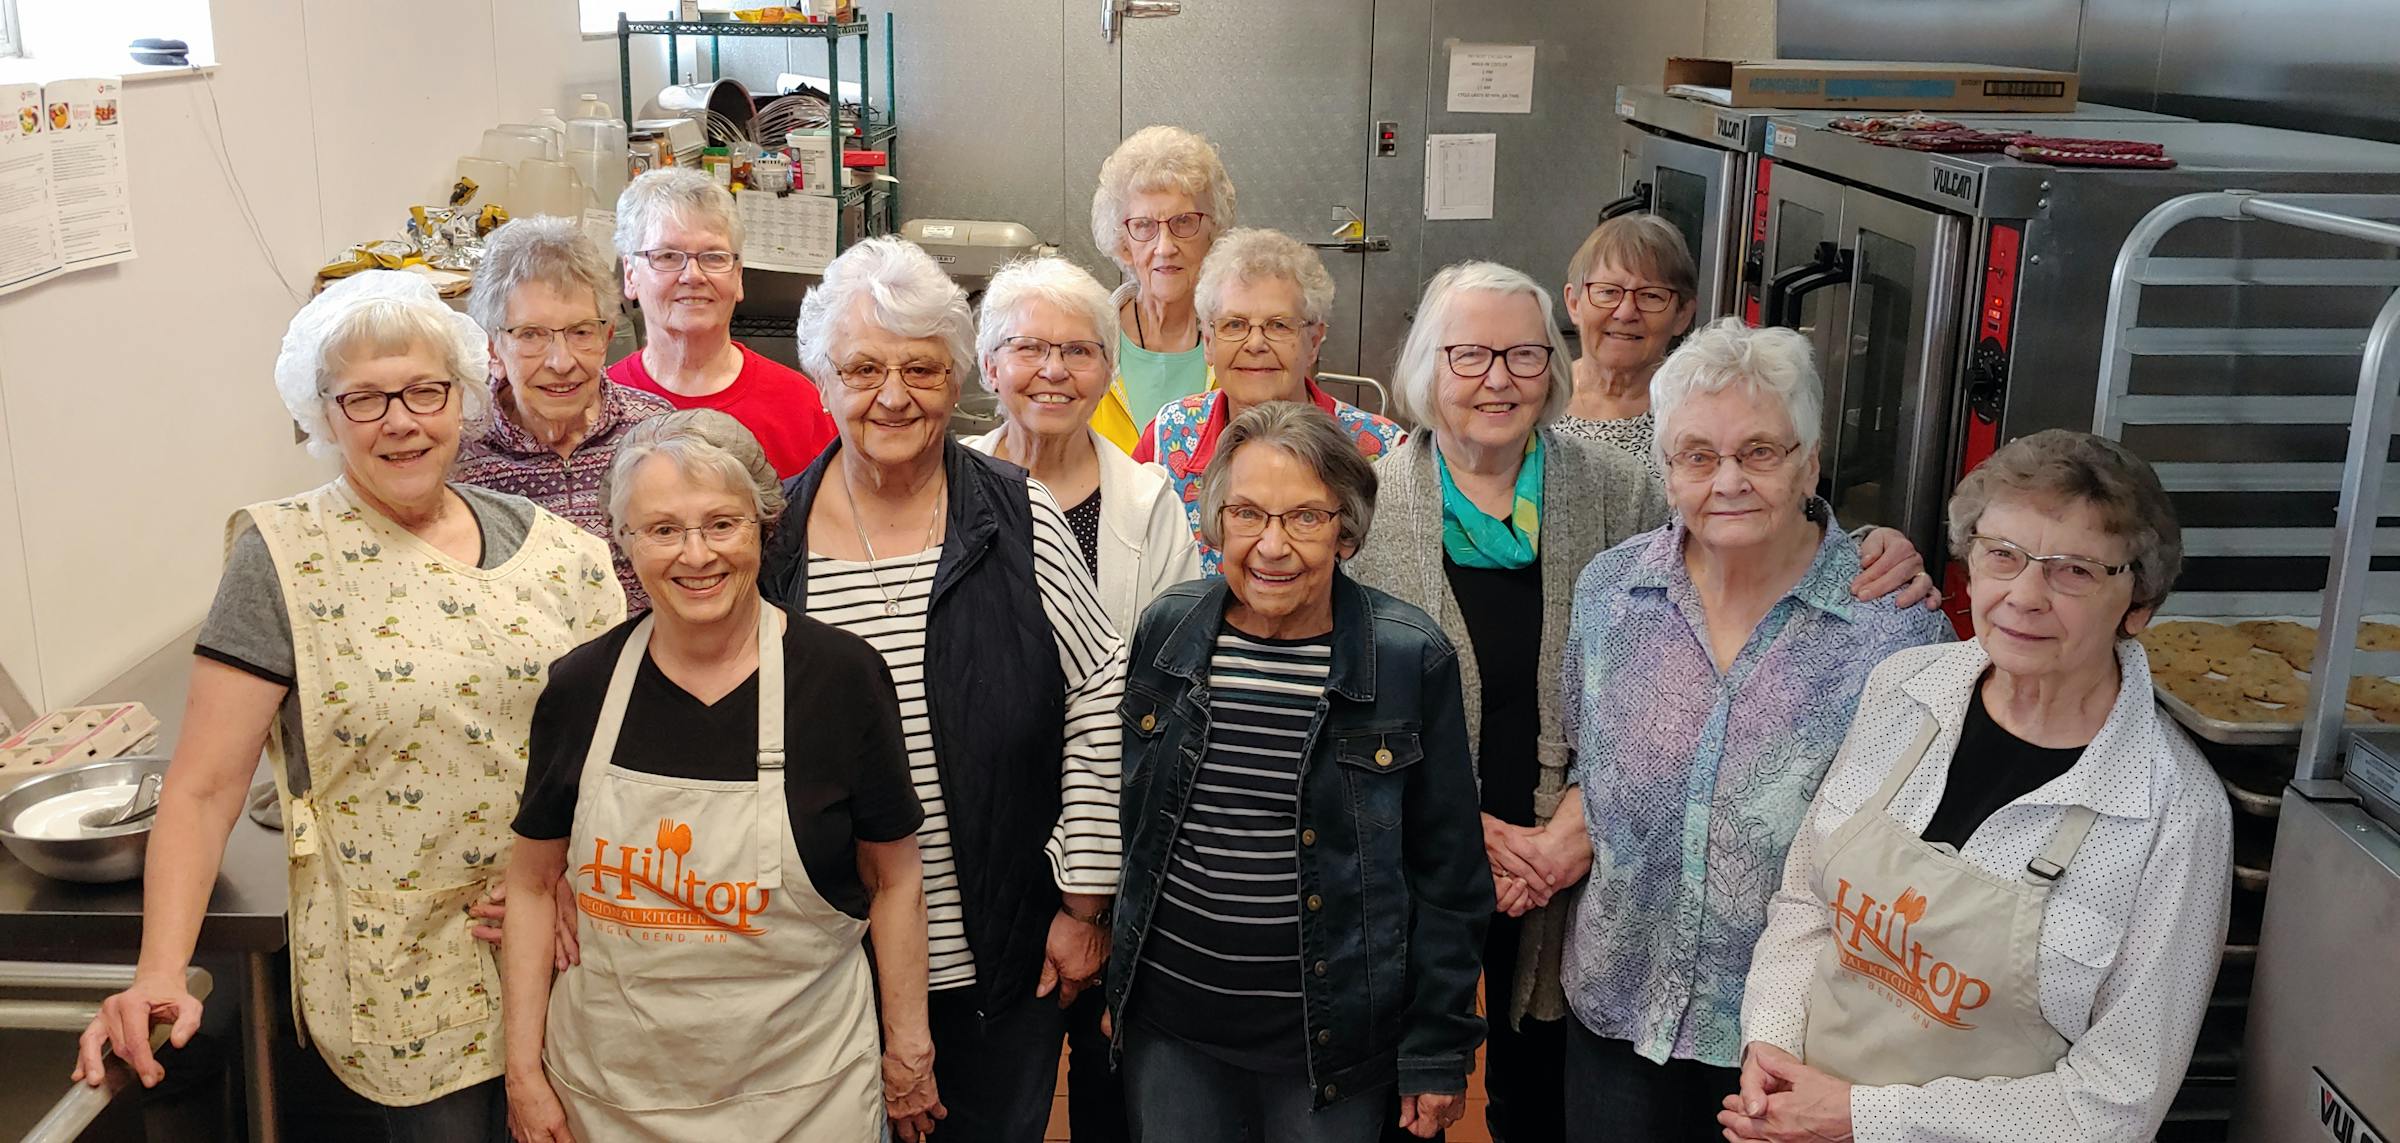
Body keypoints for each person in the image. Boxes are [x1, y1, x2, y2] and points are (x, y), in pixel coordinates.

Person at [72, 272, 626, 1140]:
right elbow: (206, 786)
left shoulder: (559, 552)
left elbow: (620, 755)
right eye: (362, 399)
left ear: (466, 397)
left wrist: (580, 887)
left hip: (570, 948)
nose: (399, 420)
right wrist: (160, 970)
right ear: (322, 416)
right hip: (404, 978)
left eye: (423, 390)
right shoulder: (283, 559)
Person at [1726, 430, 2232, 1143]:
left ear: (2139, 603)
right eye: (2002, 555)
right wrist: (1771, 1050)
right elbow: (1806, 901)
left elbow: (2115, 1104)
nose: (2024, 596)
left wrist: (1859, 1118)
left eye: (2074, 572)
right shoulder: (1904, 690)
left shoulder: (2172, 812)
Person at [765, 235, 1128, 1143]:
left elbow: (1101, 697)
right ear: (821, 381)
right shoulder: (775, 539)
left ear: (959, 377)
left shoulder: (1017, 513)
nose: (893, 395)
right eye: (863, 368)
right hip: (825, 963)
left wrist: (1082, 899)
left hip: (1004, 951)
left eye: (922, 369)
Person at [1555, 319, 1954, 1142]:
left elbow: (1919, 856)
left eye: (1761, 452)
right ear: (1666, 471)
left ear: (1810, 461)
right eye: (1697, 455)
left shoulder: (1895, 632)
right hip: (1617, 1006)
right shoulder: (1611, 591)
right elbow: (1582, 755)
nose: (1728, 479)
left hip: (1797, 1048)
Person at [498, 409, 933, 1142]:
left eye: (721, 524)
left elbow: (896, 879)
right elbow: (532, 884)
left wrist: (909, 1049)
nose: (695, 555)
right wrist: (523, 1075)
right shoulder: (581, 687)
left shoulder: (841, 678)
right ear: (624, 544)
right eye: (663, 530)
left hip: (804, 1095)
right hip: (610, 1100)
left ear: (764, 525)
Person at [1109, 402, 1491, 1143]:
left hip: (1332, 1046)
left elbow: (1451, 878)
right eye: (1247, 513)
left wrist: (1437, 1049)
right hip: (1174, 1030)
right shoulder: (1167, 629)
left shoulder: (1409, 659)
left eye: (1305, 518)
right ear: (1216, 522)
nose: (1271, 546)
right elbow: (1138, 829)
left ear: (1346, 531)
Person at [1134, 228, 1405, 574]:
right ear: (1208, 341)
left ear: (1314, 341)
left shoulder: (1383, 453)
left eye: (1278, 325)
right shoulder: (1166, 438)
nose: (1255, 343)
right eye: (1234, 325)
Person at [964, 255, 1202, 634]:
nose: (1055, 370)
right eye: (1028, 347)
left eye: (1079, 351)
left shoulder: (1151, 504)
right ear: (991, 367)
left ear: (1108, 373)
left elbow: (1171, 656)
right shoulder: (946, 485)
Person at [457, 214, 673, 610]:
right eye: (531, 335)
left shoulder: (656, 431)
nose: (561, 361)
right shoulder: (459, 452)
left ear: (607, 337)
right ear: (493, 350)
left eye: (581, 332)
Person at [607, 167, 837, 477]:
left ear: (738, 276)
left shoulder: (800, 406)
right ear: (631, 275)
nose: (693, 276)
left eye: (714, 257)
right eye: (668, 256)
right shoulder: (598, 406)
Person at [1088, 125, 1238, 451]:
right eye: (1144, 226)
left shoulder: (1240, 341)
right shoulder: (1088, 340)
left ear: (1212, 233)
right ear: (1122, 243)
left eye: (1183, 222)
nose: (1165, 246)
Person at [1556, 214, 1700, 472]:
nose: (1625, 312)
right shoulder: (1534, 397)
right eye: (1608, 292)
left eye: (1650, 296)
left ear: (1682, 315)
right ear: (1574, 303)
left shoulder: (1698, 414)